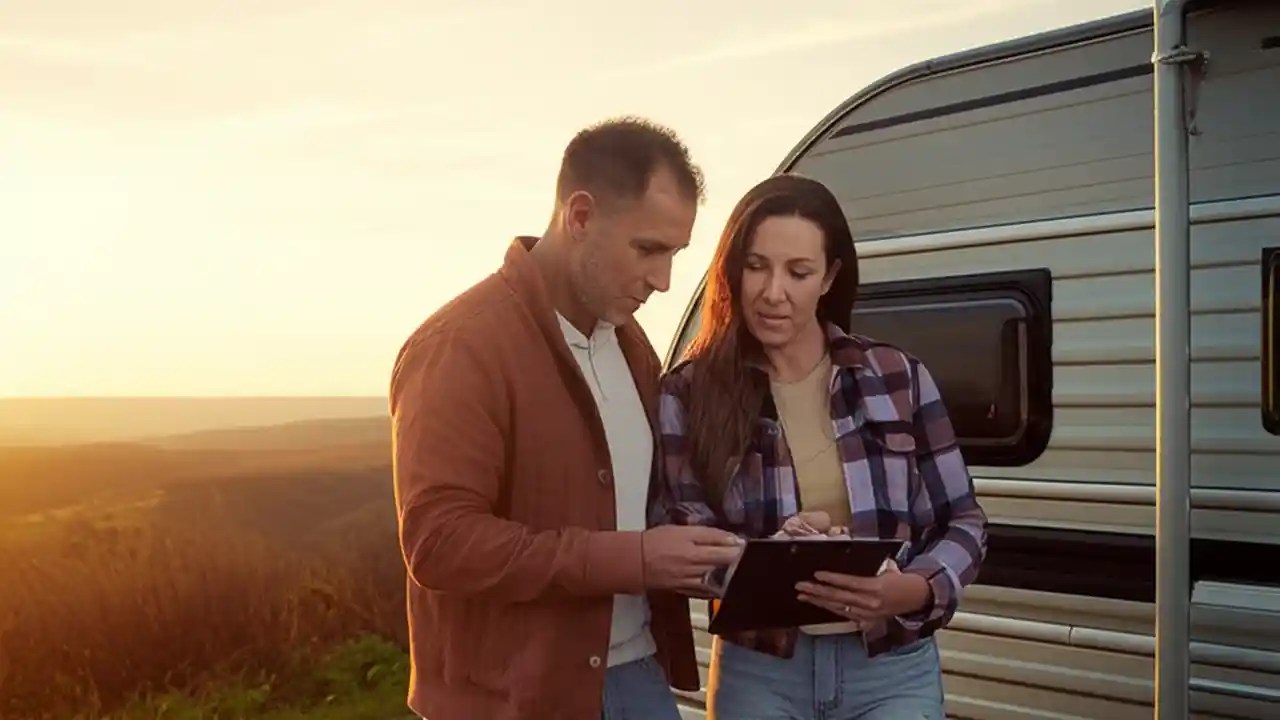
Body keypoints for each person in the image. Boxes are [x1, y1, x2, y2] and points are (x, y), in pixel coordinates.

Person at [388, 116, 745, 720]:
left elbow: (644, 507)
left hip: (636, 675)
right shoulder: (462, 345)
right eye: (648, 249)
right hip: (513, 699)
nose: (662, 281)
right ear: (579, 217)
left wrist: (731, 545)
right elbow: (439, 542)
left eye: (675, 254)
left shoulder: (632, 347)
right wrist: (631, 559)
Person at [651, 173, 988, 719]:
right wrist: (768, 560)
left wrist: (914, 589)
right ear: (731, 270)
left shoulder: (898, 376)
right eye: (756, 266)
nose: (772, 292)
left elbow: (964, 520)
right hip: (760, 670)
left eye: (798, 272)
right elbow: (681, 526)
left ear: (830, 276)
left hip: (891, 668)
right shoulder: (687, 392)